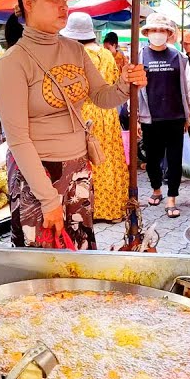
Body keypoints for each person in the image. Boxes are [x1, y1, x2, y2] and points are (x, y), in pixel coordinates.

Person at [0, 0, 144, 248]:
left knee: (79, 257)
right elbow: (17, 139)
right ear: (28, 3)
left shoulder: (75, 50)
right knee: (41, 265)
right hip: (36, 176)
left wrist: (125, 84)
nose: (64, 6)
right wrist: (48, 199)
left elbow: (101, 96)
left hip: (78, 170)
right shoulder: (12, 63)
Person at [60, 12, 128, 223]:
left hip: (85, 114)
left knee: (89, 159)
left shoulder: (76, 55)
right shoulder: (108, 54)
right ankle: (114, 209)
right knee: (109, 159)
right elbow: (114, 83)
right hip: (108, 113)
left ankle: (94, 209)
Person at [137, 13, 190, 219]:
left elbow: (188, 87)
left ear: (169, 33)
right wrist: (135, 113)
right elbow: (133, 89)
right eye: (154, 30)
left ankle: (171, 198)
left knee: (174, 159)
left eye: (162, 30)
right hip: (150, 117)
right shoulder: (139, 57)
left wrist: (189, 114)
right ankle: (156, 190)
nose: (158, 34)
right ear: (147, 33)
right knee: (152, 160)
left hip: (175, 117)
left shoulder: (178, 57)